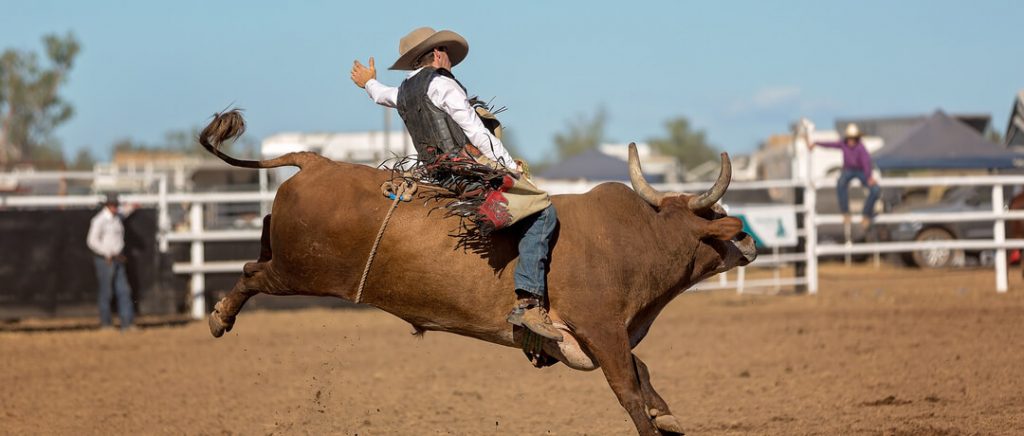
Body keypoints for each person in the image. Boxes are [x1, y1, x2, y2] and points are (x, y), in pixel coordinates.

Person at [350, 27, 562, 342]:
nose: (451, 59)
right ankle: (527, 303)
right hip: (465, 176)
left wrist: (368, 81)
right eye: (447, 52)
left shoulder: (406, 90)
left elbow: (382, 96)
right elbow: (475, 130)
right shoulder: (443, 86)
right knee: (542, 212)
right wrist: (509, 167)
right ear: (437, 54)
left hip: (433, 176)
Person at [806, 123, 881, 229]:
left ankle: (866, 214)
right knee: (841, 183)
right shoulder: (844, 144)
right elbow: (830, 145)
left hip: (860, 171)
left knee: (875, 190)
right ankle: (845, 212)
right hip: (848, 170)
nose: (851, 140)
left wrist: (869, 176)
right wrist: (816, 143)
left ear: (856, 138)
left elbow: (866, 163)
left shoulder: (861, 148)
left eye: (853, 138)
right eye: (850, 138)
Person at [86, 193, 135, 331]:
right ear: (107, 206)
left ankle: (126, 323)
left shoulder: (117, 217)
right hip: (105, 259)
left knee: (123, 290)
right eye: (112, 205)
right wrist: (106, 252)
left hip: (118, 258)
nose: (114, 208)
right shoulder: (99, 220)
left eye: (116, 205)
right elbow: (92, 241)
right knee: (107, 292)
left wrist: (134, 205)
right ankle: (106, 323)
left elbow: (126, 211)